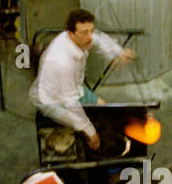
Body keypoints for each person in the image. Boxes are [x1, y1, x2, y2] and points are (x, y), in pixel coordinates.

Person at [30, 9, 136, 151]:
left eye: (90, 30)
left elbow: (98, 38)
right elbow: (71, 102)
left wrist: (117, 52)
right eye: (85, 32)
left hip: (73, 88)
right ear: (71, 34)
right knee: (86, 130)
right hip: (52, 100)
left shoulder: (81, 38)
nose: (90, 36)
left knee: (102, 108)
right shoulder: (61, 61)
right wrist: (91, 132)